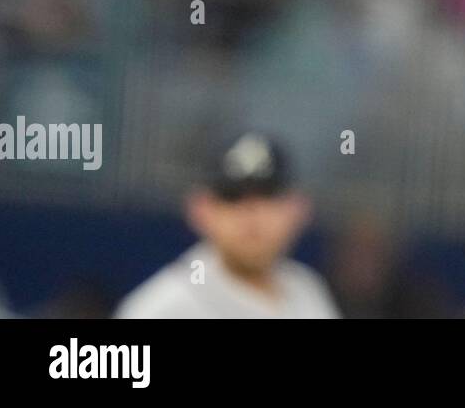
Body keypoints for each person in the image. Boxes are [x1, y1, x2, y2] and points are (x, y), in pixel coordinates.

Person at [115, 131, 340, 318]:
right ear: (200, 210)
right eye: (232, 197)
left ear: (298, 207)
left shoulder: (306, 287)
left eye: (268, 196)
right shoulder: (159, 309)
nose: (251, 214)